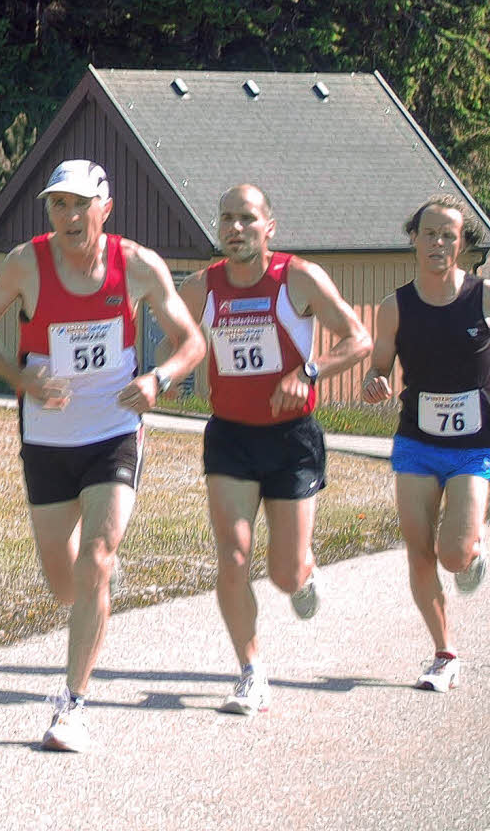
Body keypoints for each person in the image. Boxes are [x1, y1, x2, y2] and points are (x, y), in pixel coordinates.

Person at [0, 159, 206, 752]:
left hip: (115, 430)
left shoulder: (139, 266)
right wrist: (19, 379)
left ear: (106, 207)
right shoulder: (26, 263)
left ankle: (71, 703)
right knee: (63, 580)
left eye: (80, 204)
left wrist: (160, 379)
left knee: (96, 558)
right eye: (58, 205)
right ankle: (94, 594)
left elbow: (192, 342)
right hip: (48, 438)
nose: (70, 216)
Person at [174, 184, 371, 716]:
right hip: (231, 436)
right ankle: (251, 671)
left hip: (291, 438)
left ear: (269, 227)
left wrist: (308, 372)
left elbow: (358, 339)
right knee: (233, 558)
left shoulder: (297, 278)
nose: (235, 229)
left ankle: (303, 573)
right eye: (226, 220)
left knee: (283, 572)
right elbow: (168, 333)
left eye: (246, 219)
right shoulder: (202, 286)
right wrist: (167, 372)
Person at [363, 194, 489, 692]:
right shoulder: (396, 307)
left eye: (449, 235)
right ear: (414, 238)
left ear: (462, 243)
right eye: (430, 233)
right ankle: (444, 653)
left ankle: (471, 553)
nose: (439, 242)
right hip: (417, 441)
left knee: (453, 554)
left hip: (477, 446)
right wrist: (375, 382)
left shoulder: (482, 295)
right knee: (419, 553)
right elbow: (378, 367)